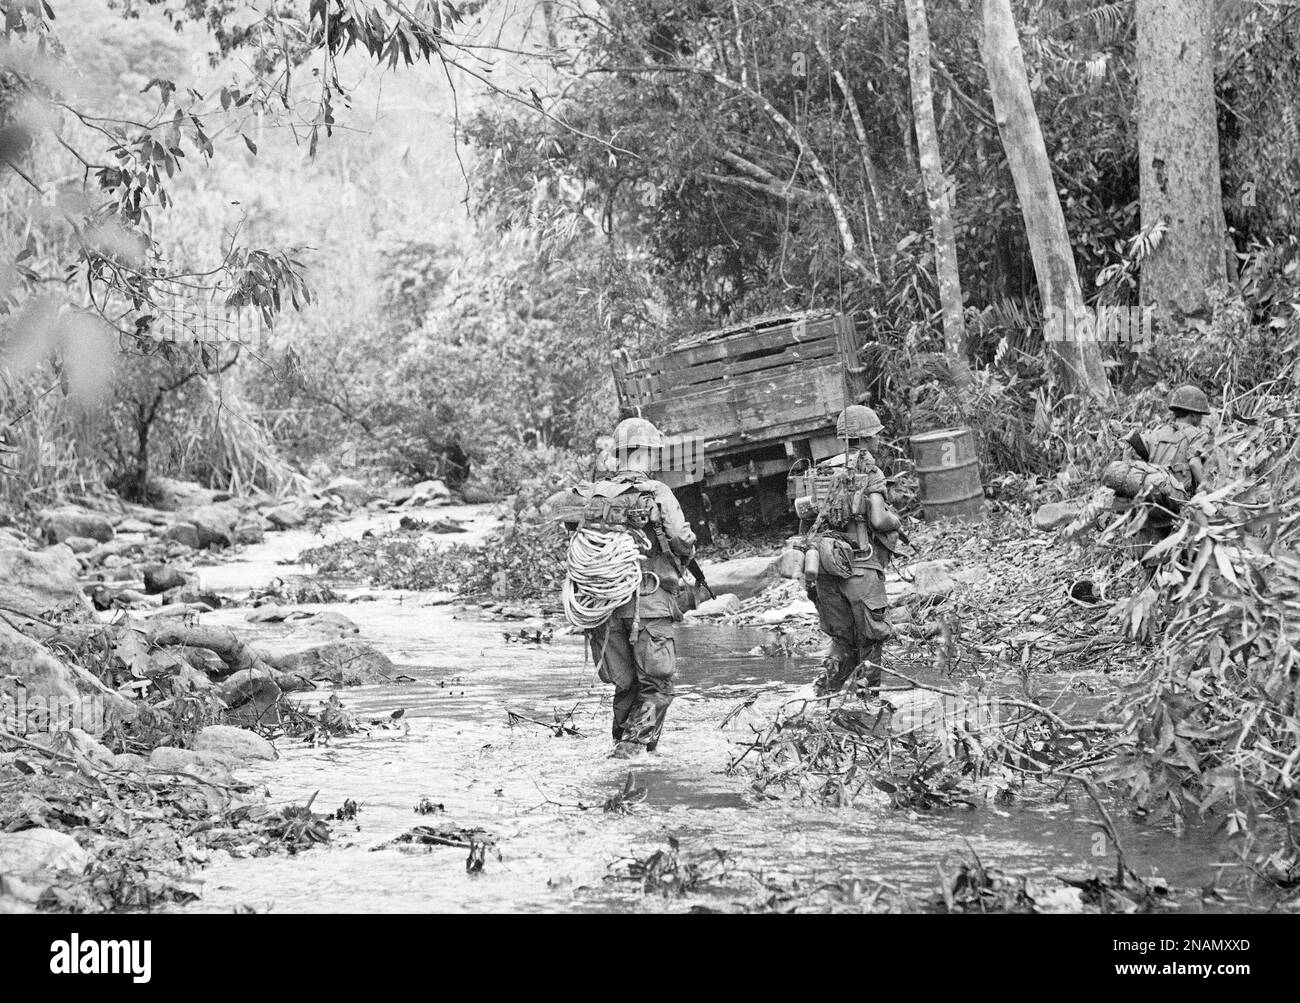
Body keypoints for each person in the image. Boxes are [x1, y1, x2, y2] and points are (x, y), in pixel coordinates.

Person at [577, 417, 697, 759]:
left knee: (626, 685)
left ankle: (623, 750)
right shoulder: (658, 493)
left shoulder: (597, 493)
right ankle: (630, 752)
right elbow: (681, 540)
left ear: (619, 452)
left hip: (603, 607)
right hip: (649, 603)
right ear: (646, 453)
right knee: (657, 685)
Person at [793, 405, 901, 697]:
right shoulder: (870, 469)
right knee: (871, 640)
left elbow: (807, 523)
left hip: (824, 569)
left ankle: (818, 700)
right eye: (875, 436)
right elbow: (878, 519)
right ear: (865, 438)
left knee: (842, 641)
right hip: (860, 568)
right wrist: (896, 520)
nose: (878, 441)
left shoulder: (820, 470)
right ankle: (866, 705)